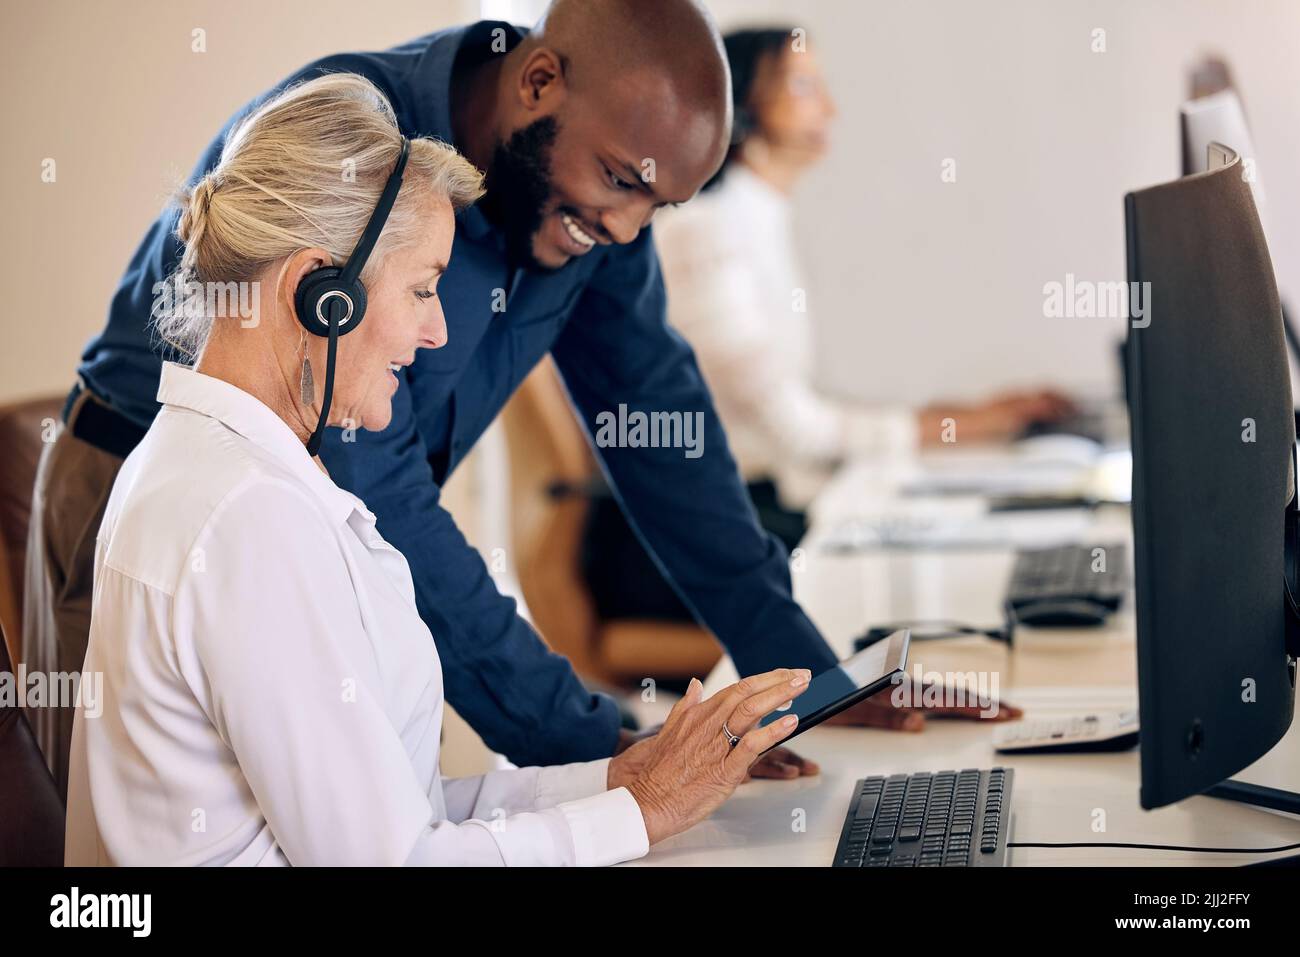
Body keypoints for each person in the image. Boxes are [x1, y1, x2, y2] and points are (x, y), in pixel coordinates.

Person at [28, 1, 1006, 797]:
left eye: (654, 210)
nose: (624, 230)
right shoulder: (361, 147)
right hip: (145, 504)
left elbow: (657, 421)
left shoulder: (596, 200)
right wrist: (602, 748)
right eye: (619, 183)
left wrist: (807, 675)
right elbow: (383, 494)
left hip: (317, 526)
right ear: (538, 83)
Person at [64, 74, 810, 866]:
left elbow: (397, 812)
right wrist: (647, 809)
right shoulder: (247, 516)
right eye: (422, 288)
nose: (437, 330)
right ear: (321, 295)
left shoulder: (222, 470)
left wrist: (622, 778)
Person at [583, 27, 1069, 638]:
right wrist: (964, 426)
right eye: (804, 86)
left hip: (750, 513)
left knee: (943, 581)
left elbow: (794, 413)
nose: (831, 107)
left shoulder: (755, 218)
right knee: (916, 598)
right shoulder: (704, 231)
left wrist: (960, 417)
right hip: (687, 542)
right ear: (743, 104)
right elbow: (796, 429)